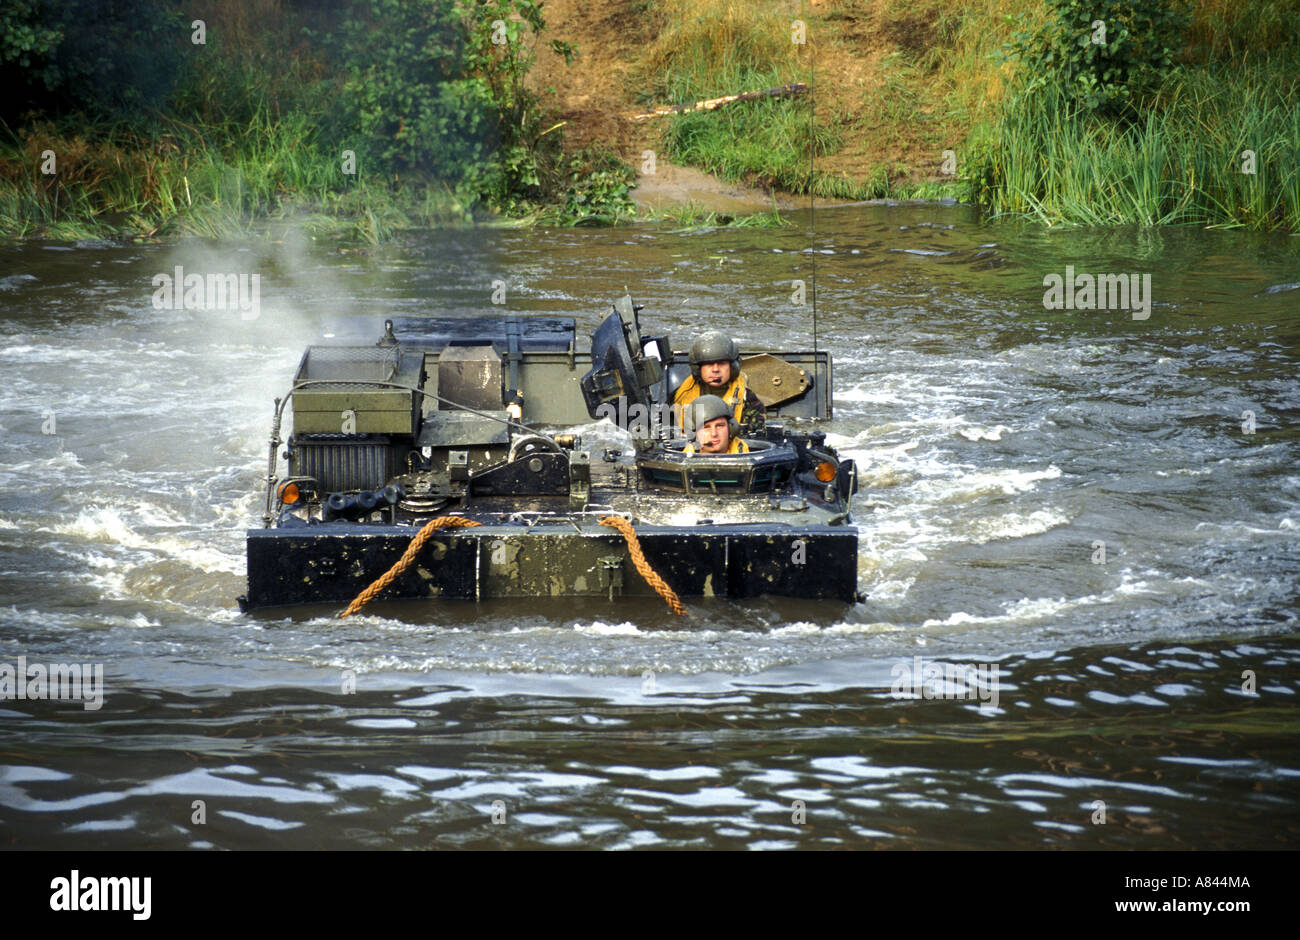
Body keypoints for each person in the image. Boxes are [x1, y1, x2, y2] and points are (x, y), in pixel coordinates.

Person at [671, 330, 765, 437]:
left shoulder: (747, 399)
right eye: (709, 364)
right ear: (698, 369)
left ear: (732, 367)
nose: (715, 369)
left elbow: (757, 433)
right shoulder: (681, 395)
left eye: (722, 364)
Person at [683, 395, 750, 455]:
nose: (714, 434)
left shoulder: (751, 459)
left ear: (731, 429)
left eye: (719, 426)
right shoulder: (680, 464)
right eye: (706, 427)